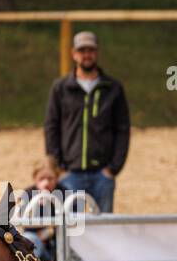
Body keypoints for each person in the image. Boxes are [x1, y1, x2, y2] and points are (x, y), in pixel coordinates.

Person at [44, 30, 131, 214]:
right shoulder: (60, 88)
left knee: (103, 230)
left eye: (90, 50)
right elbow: (51, 127)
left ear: (97, 52)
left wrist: (113, 168)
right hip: (70, 174)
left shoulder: (113, 88)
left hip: (102, 174)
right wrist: (58, 166)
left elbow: (122, 130)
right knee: (70, 229)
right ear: (74, 54)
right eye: (82, 50)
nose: (86, 55)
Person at [17, 156, 63, 261]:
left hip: (59, 242)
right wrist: (38, 206)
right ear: (35, 178)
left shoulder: (64, 192)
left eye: (50, 178)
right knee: (29, 240)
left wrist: (49, 231)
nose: (46, 183)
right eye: (41, 179)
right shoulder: (28, 194)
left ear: (57, 177)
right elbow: (24, 221)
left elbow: (72, 218)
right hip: (36, 241)